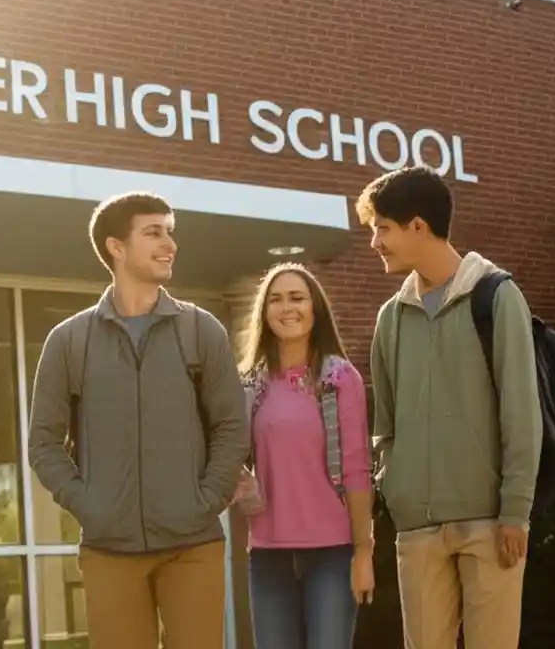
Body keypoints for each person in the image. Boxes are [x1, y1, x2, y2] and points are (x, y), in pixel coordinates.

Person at [27, 191, 249, 649]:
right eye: (154, 232)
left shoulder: (200, 329)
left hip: (193, 543)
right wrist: (87, 503)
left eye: (170, 232)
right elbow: (44, 442)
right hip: (109, 549)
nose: (170, 243)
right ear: (116, 246)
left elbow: (231, 426)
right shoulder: (69, 341)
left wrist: (205, 499)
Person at [357, 166, 542, 649]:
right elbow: (386, 421)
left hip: (490, 525)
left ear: (418, 226)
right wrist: (394, 484)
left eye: (382, 228)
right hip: (417, 528)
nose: (375, 241)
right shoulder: (390, 317)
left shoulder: (497, 298)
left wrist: (515, 511)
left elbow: (521, 412)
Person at [230, 262, 375, 649]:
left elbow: (358, 469)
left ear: (315, 309)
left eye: (297, 297)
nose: (286, 307)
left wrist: (363, 552)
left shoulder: (340, 380)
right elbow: (227, 456)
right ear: (264, 313)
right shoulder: (248, 384)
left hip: (331, 554)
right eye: (275, 299)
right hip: (267, 555)